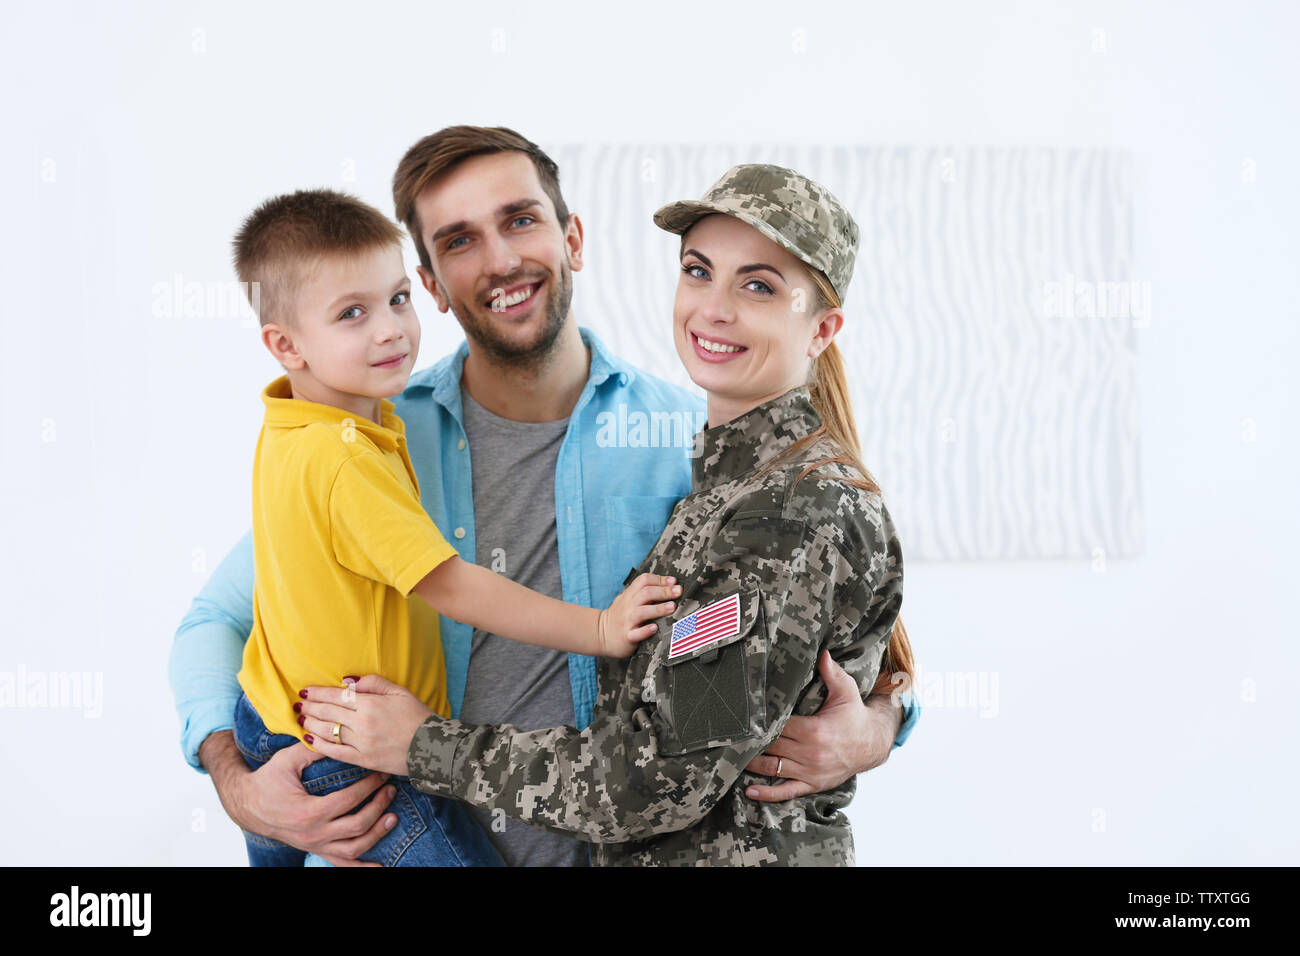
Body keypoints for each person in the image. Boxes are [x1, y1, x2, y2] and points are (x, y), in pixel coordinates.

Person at [169, 127, 920, 867]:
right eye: (459, 241)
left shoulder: (696, 437)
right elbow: (220, 619)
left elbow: (845, 642)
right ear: (428, 284)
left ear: (573, 239)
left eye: (520, 220)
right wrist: (241, 787)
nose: (500, 259)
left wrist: (877, 727)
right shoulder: (373, 446)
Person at [226, 188, 677, 865]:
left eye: (395, 299)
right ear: (286, 345)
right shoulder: (347, 454)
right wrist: (601, 629)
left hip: (272, 719)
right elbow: (453, 586)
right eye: (353, 314)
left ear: (574, 238)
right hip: (358, 763)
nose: (390, 329)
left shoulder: (293, 423)